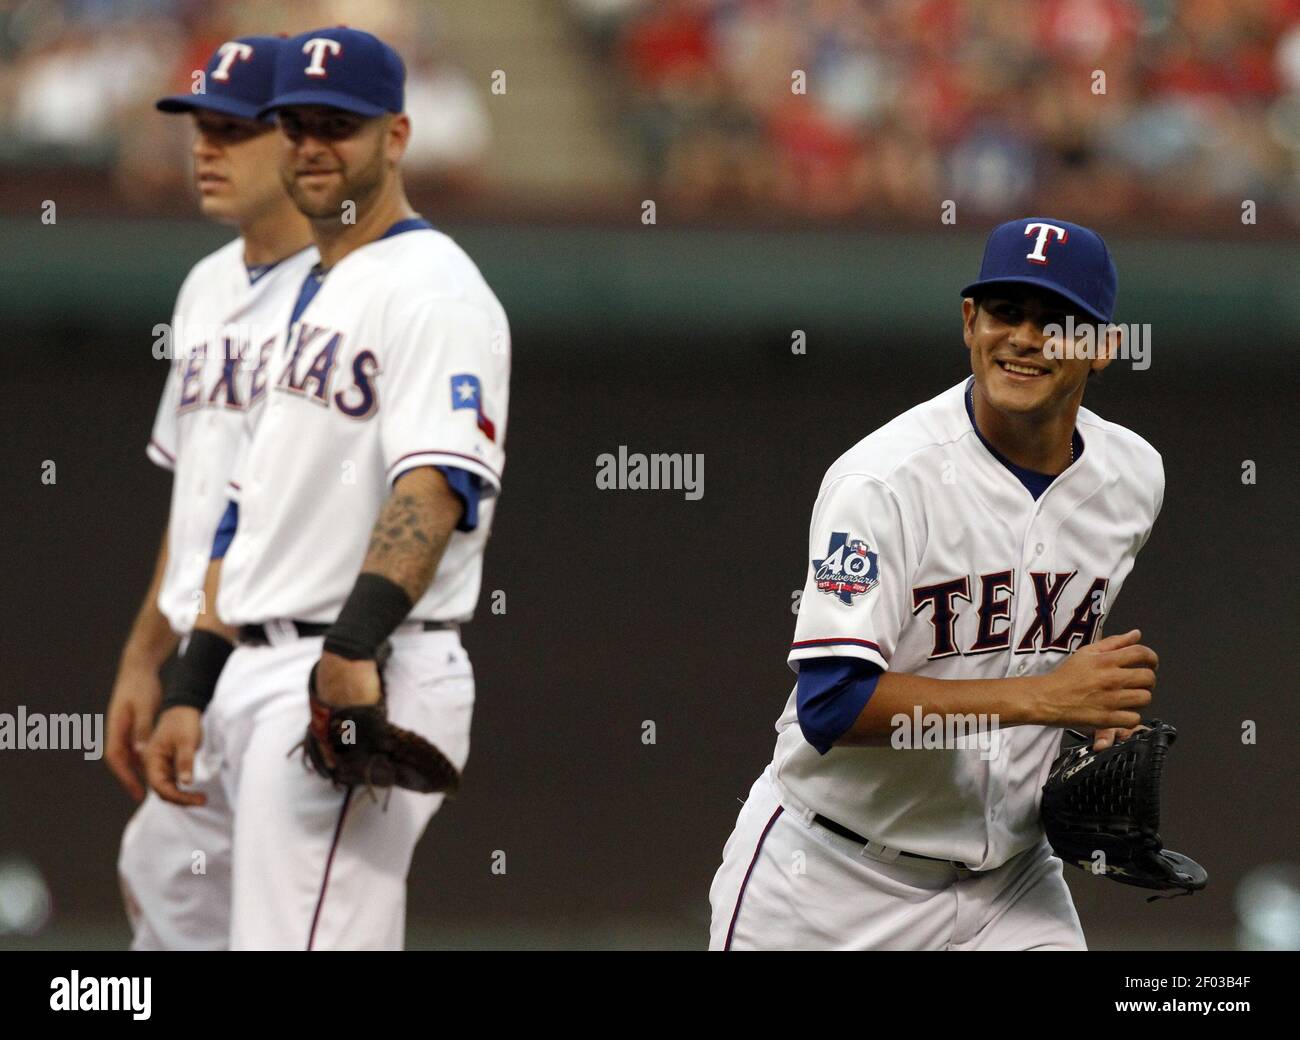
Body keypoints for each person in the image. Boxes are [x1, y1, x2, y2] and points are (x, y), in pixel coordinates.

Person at [143, 27, 510, 950]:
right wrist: (190, 679)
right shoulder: (317, 288)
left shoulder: (434, 288)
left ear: (395, 134)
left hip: (355, 663)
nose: (310, 143)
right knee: (170, 902)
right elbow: (245, 504)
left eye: (336, 125)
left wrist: (353, 648)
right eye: (293, 123)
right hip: (251, 667)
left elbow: (431, 486)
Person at [708, 217, 1162, 951]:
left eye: (1057, 322)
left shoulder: (1133, 477)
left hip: (1011, 885)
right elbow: (831, 705)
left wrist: (1088, 716)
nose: (1024, 337)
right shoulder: (885, 480)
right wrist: (1046, 698)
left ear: (1104, 346)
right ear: (968, 322)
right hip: (831, 883)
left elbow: (1031, 651)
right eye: (1006, 312)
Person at [111, 35, 316, 950]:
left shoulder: (347, 291)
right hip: (200, 655)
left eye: (232, 131)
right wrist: (143, 656)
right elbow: (196, 497)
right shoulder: (203, 287)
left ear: (301, 139)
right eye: (199, 128)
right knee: (162, 884)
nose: (204, 149)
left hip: (288, 655)